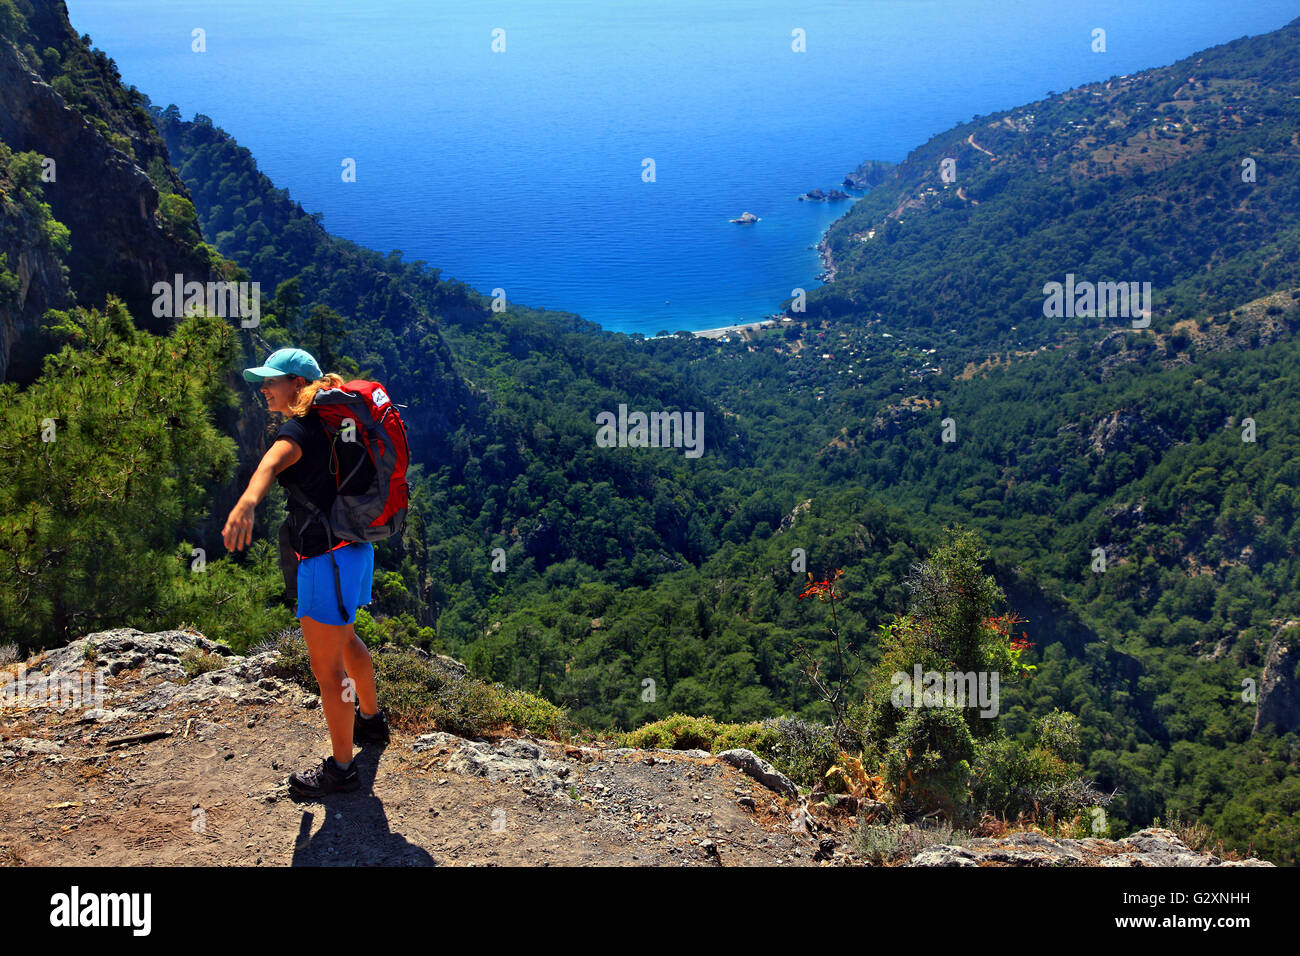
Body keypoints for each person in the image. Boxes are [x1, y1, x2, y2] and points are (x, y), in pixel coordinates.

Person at [221, 347, 390, 798]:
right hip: (355, 549)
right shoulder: (340, 422)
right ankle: (371, 724)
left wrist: (247, 502)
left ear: (297, 384)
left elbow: (272, 462)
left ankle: (341, 769)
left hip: (323, 559)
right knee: (348, 639)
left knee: (327, 670)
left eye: (271, 381)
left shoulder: (301, 428)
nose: (264, 388)